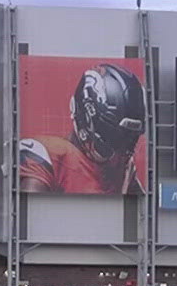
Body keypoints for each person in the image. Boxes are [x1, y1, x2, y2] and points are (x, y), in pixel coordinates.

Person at [18, 62, 146, 195]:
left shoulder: (122, 167)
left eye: (129, 138)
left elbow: (141, 210)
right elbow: (32, 212)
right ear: (87, 113)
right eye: (114, 136)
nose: (120, 150)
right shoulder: (47, 156)